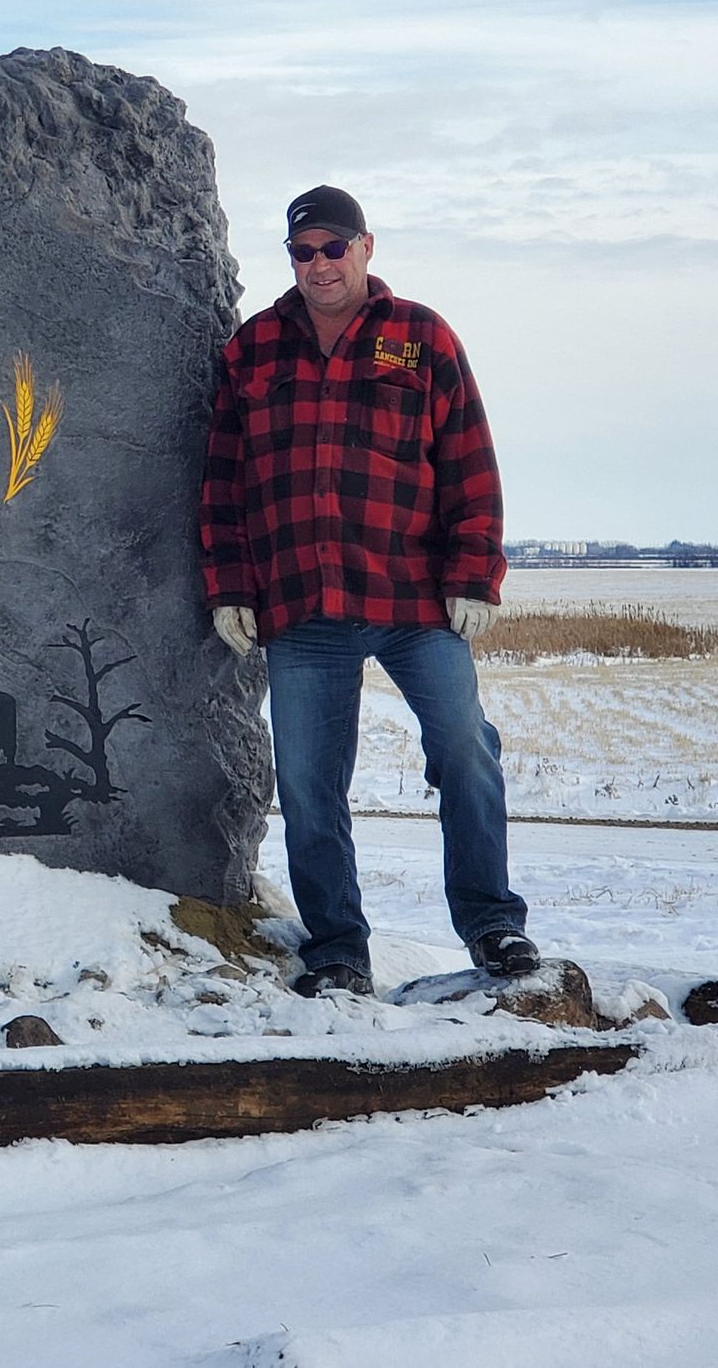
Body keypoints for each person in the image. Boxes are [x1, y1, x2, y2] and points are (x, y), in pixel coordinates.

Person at [199, 186, 536, 997]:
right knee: (310, 788)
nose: (318, 264)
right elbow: (221, 481)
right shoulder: (254, 350)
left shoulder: (421, 339)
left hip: (417, 602)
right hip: (303, 608)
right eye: (302, 252)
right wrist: (230, 588)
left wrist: (475, 575)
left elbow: (469, 463)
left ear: (366, 248)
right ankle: (339, 949)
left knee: (464, 750)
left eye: (332, 248)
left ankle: (492, 927)